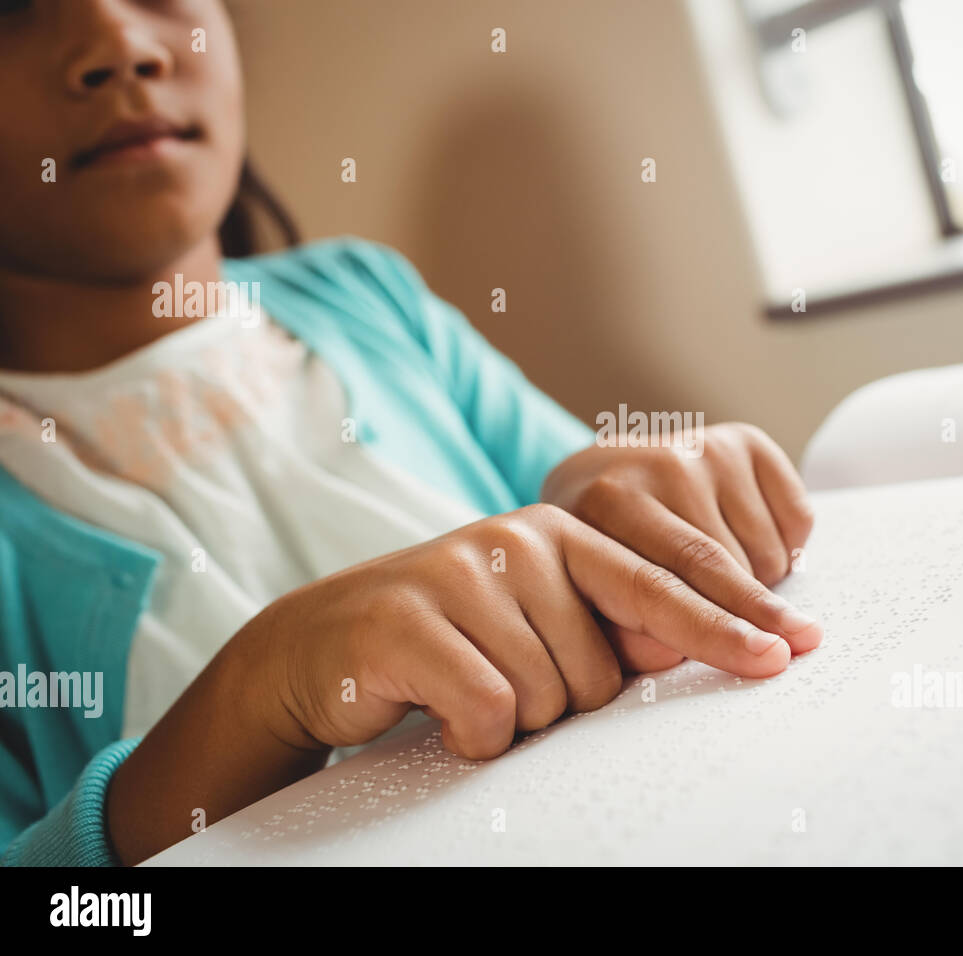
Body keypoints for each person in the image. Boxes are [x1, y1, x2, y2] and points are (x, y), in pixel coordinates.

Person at [0, 0, 821, 866]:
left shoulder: (366, 294)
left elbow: (583, 493)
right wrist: (262, 689)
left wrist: (632, 490)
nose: (119, 46)